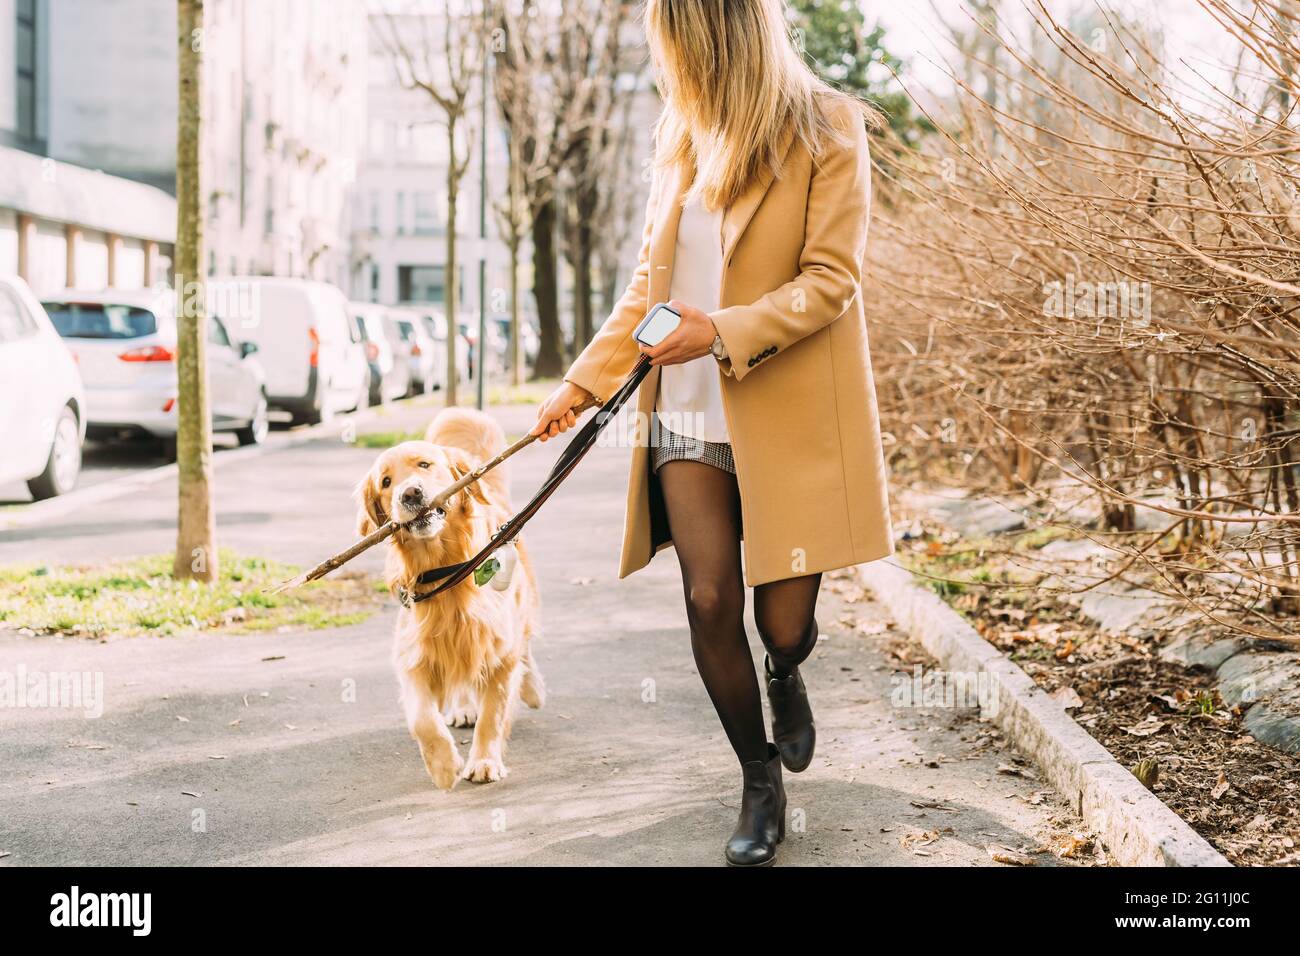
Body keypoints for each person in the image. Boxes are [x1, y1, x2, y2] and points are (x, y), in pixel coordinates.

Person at [531, 0, 893, 866]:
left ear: (717, 41)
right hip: (686, 408)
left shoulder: (829, 128)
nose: (671, 69)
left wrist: (721, 330)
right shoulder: (679, 139)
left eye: (679, 49)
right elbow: (645, 289)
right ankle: (757, 777)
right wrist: (580, 383)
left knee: (782, 625)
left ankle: (787, 670)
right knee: (705, 599)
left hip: (787, 412)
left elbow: (830, 282)